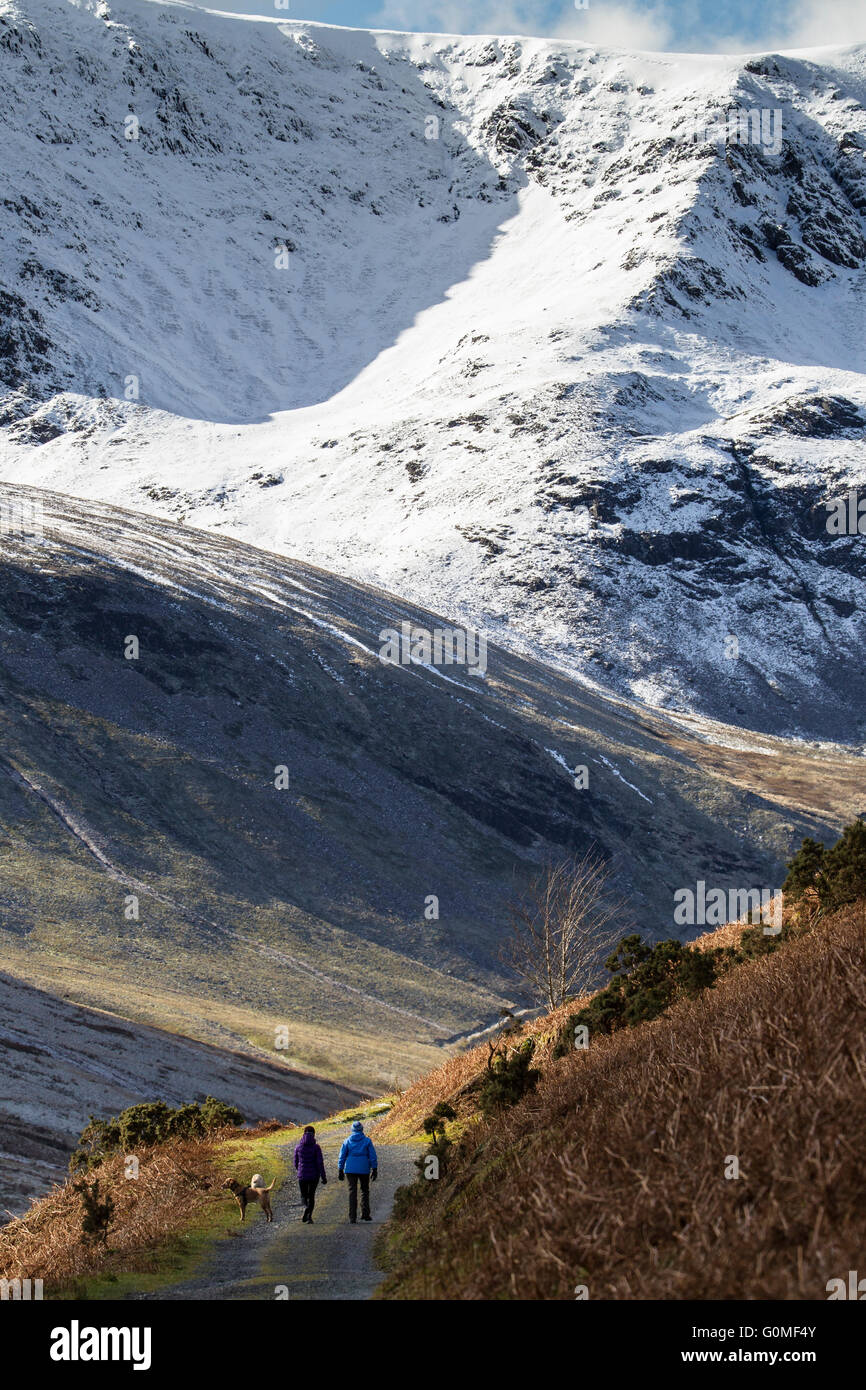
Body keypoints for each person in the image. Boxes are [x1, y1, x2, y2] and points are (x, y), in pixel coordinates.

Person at [337, 1120, 378, 1223]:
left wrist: (340, 1169)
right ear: (362, 1129)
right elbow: (372, 1156)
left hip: (350, 1169)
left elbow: (342, 1156)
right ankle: (365, 1214)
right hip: (364, 1168)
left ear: (352, 1130)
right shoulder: (367, 1141)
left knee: (352, 1192)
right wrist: (374, 1168)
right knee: (364, 1190)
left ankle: (352, 1217)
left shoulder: (347, 1141)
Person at [293, 1125, 327, 1223]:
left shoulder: (298, 1147)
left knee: (304, 1196)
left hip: (302, 1176)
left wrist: (299, 1170)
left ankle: (306, 1209)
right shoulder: (316, 1147)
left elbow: (295, 1162)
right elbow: (320, 1162)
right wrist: (323, 1176)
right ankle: (309, 1216)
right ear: (314, 1134)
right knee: (311, 1196)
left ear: (304, 1133)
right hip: (314, 1176)